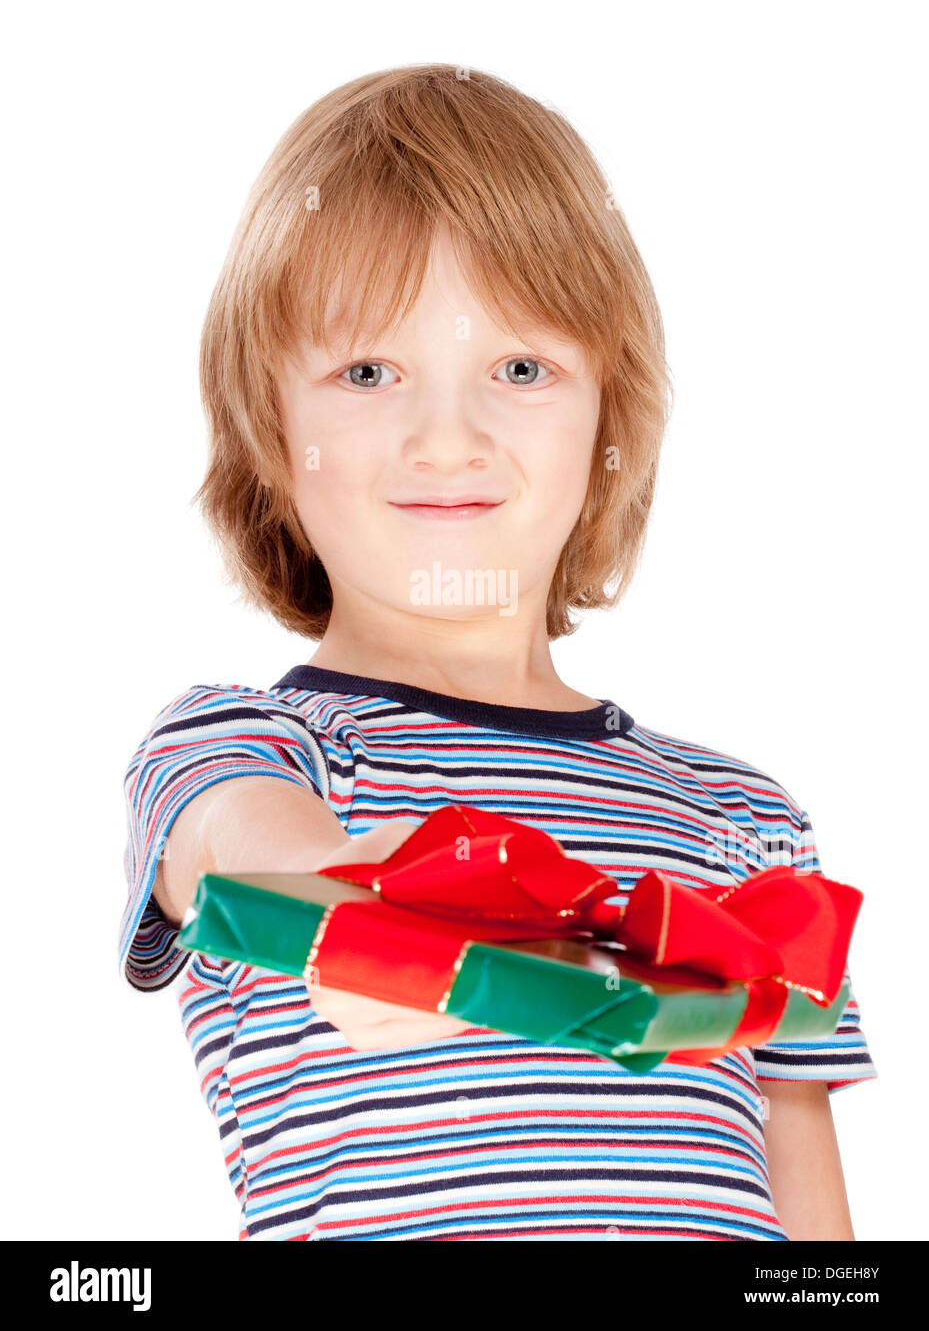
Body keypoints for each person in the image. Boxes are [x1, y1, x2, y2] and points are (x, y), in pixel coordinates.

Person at [119, 62, 877, 1242]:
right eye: (367, 372)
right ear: (271, 436)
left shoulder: (746, 817)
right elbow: (233, 849)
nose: (445, 439)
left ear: (605, 421)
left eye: (519, 370)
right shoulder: (254, 745)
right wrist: (360, 901)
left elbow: (811, 1212)